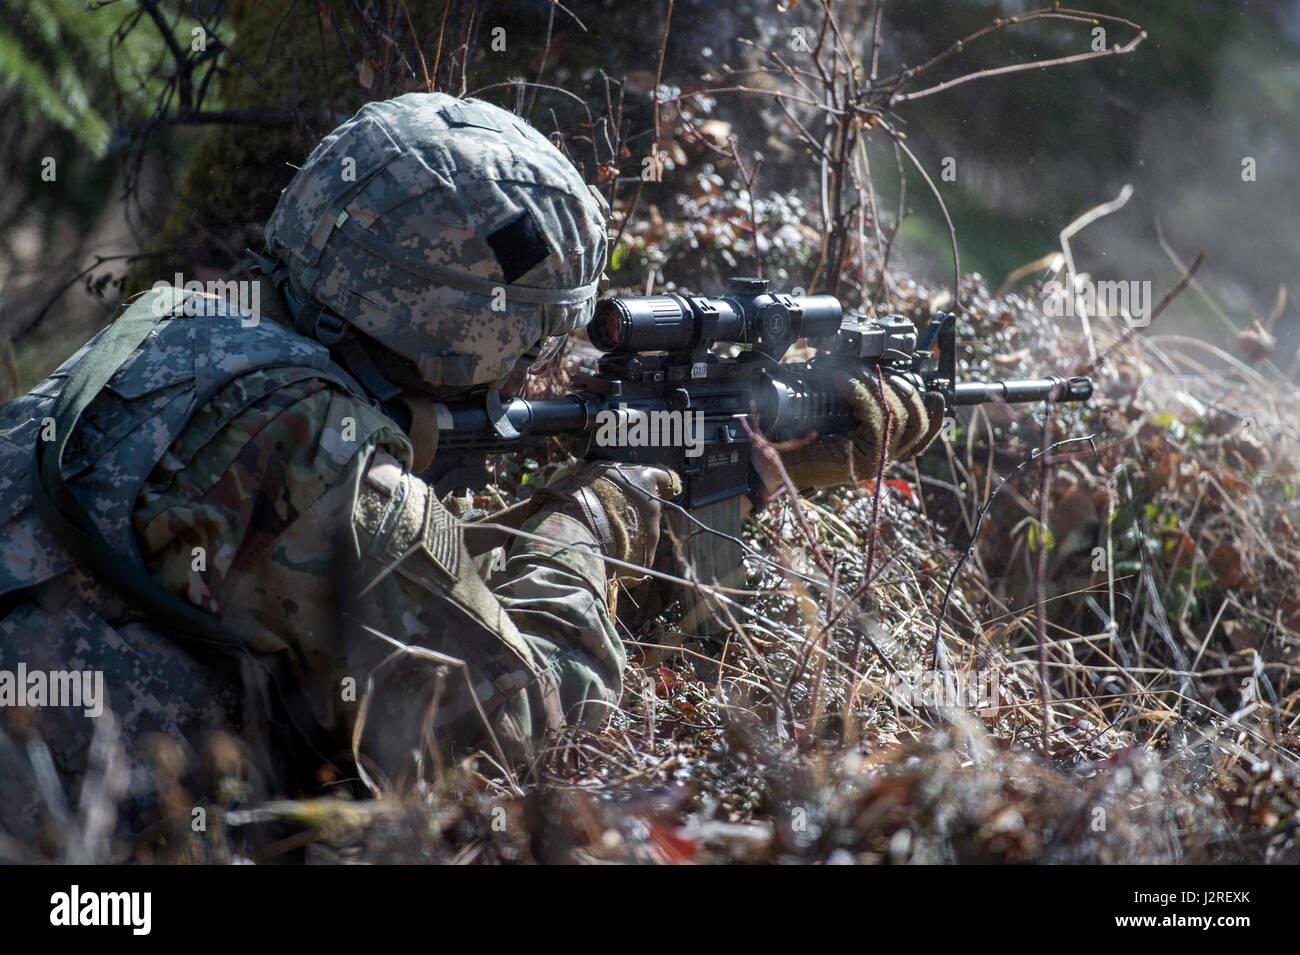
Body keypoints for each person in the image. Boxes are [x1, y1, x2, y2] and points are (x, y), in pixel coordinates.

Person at [0, 92, 940, 859]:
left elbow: (352, 588)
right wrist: (607, 511)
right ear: (461, 332)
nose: (536, 376)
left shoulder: (179, 333)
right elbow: (512, 733)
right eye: (529, 351)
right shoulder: (319, 457)